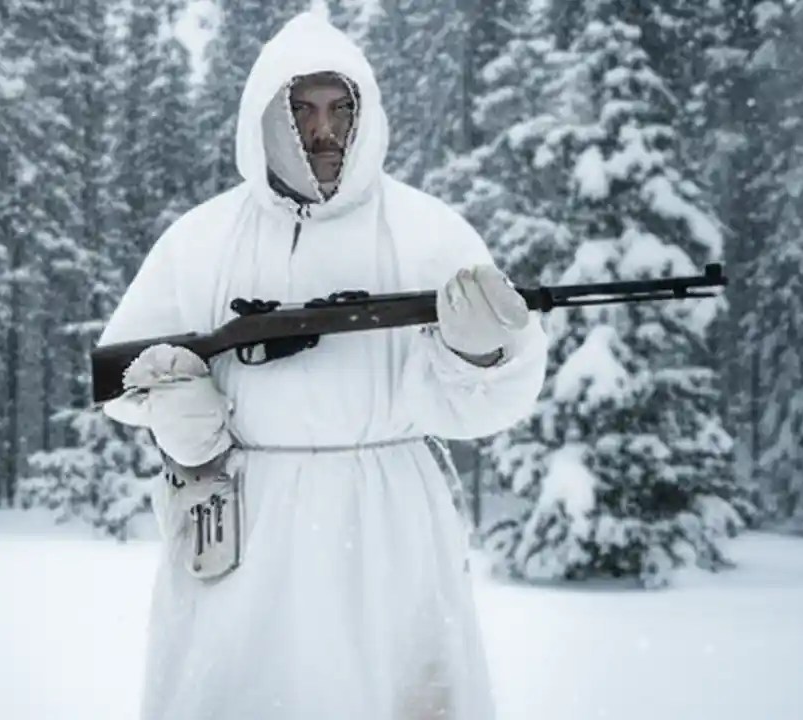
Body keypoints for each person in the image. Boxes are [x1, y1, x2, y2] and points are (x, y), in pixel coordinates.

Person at [98, 11, 547, 720]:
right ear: (266, 119)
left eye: (341, 109)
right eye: (301, 110)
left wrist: (479, 350)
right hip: (246, 520)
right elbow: (123, 375)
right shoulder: (201, 237)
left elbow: (488, 404)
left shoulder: (430, 230)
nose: (323, 131)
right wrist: (177, 414)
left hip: (389, 522)